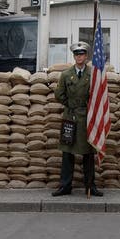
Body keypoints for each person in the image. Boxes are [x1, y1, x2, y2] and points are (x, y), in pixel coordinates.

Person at [52, 41, 102, 198]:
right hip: (71, 117)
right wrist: (71, 105)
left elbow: (97, 95)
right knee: (67, 153)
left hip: (87, 118)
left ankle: (90, 185)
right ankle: (65, 186)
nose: (79, 57)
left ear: (86, 56)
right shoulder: (66, 74)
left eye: (81, 54)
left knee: (88, 153)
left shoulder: (93, 74)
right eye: (76, 54)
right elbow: (59, 94)